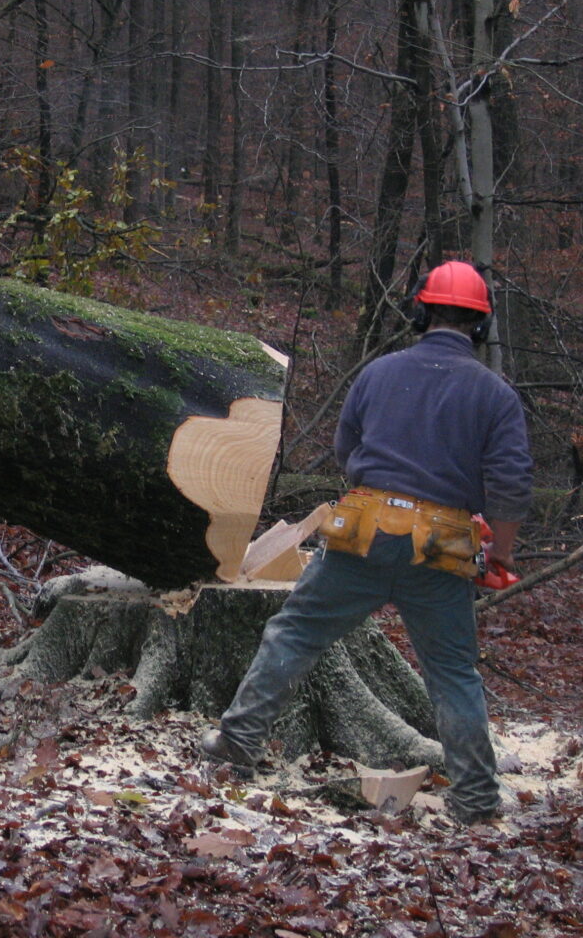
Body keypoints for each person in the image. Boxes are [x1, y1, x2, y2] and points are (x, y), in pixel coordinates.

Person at [198, 260, 533, 825]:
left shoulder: (379, 373)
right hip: (441, 545)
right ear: (480, 324)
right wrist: (499, 551)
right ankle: (476, 798)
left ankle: (239, 741)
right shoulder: (494, 393)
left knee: (295, 632)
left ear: (421, 310)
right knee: (453, 673)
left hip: (364, 529)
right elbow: (511, 483)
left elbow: (346, 448)